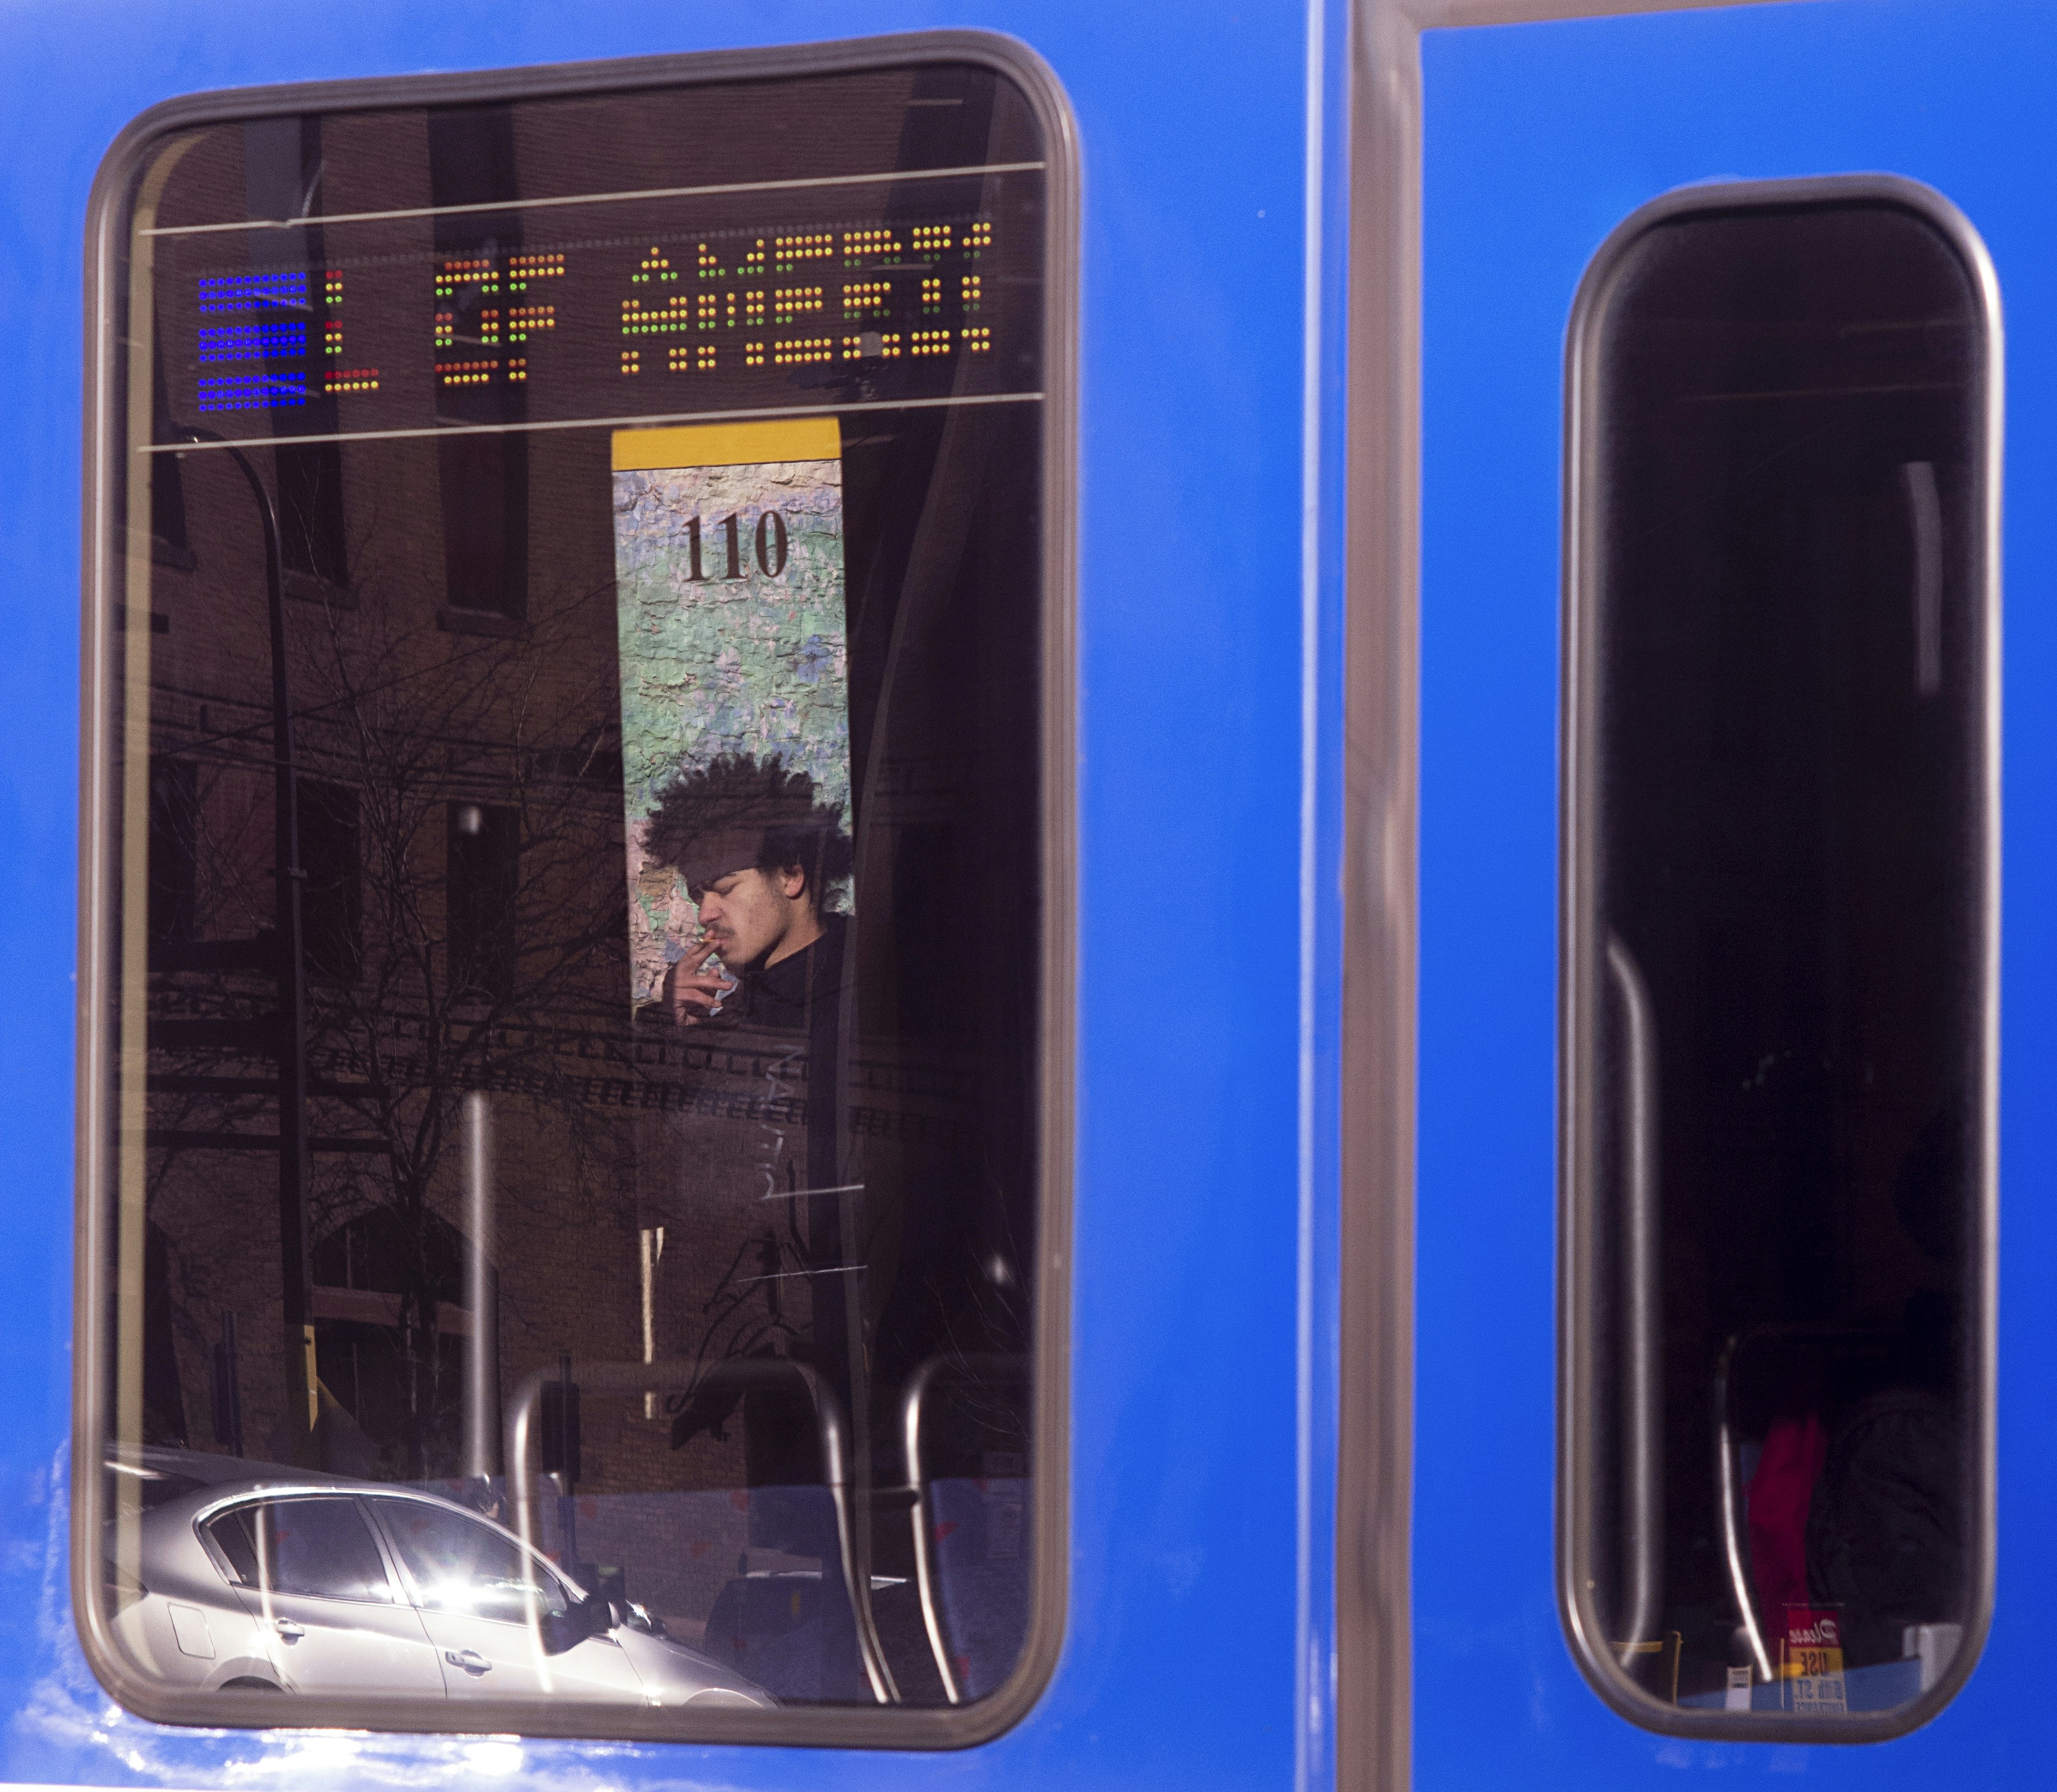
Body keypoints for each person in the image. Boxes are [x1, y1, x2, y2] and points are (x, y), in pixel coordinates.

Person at [639, 753, 854, 1031]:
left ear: (790, 876)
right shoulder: (738, 1009)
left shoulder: (868, 991)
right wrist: (671, 1026)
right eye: (698, 896)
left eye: (725, 888)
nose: (705, 915)